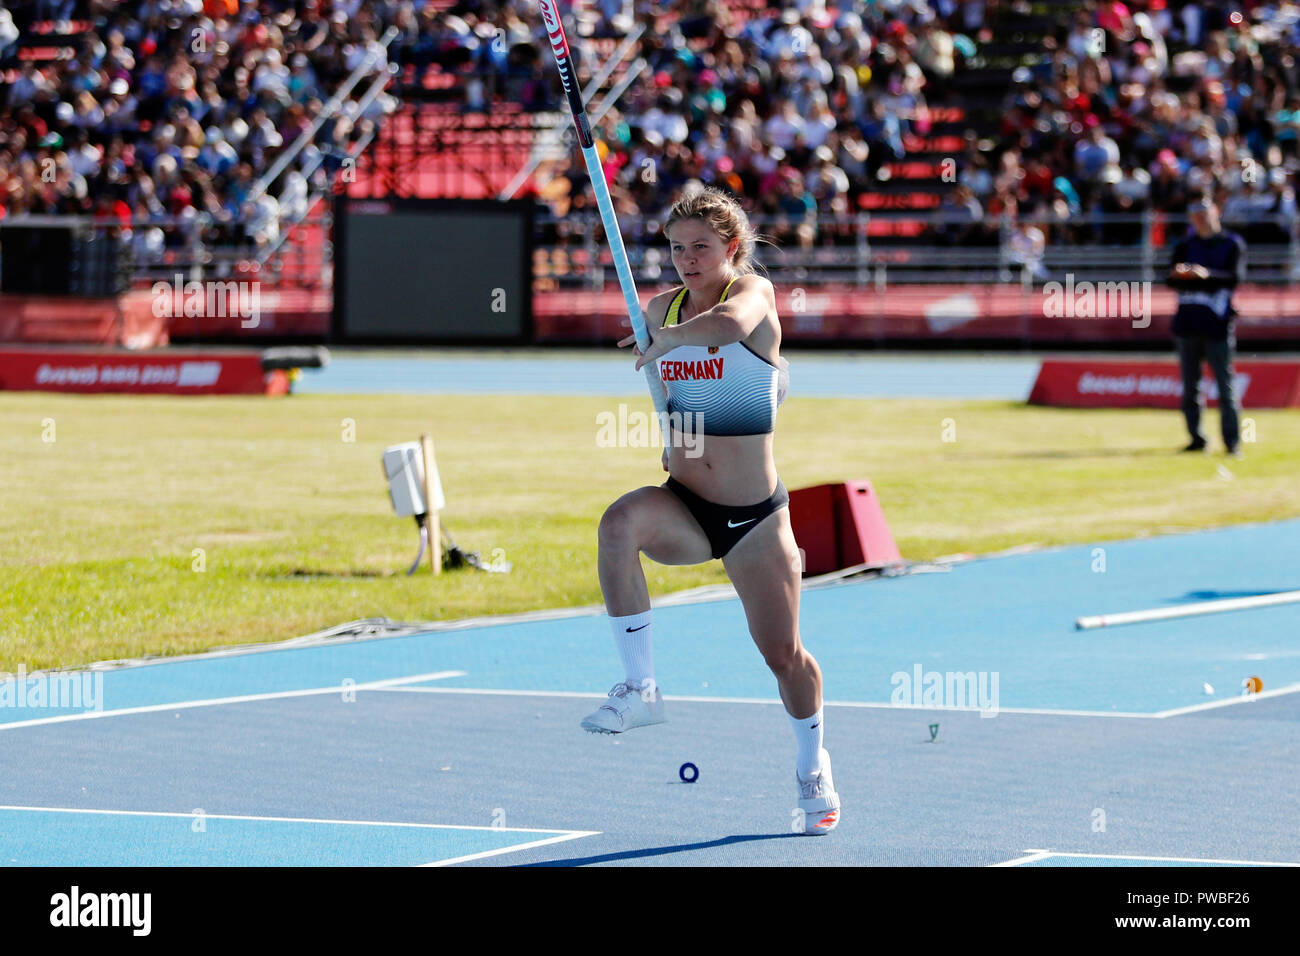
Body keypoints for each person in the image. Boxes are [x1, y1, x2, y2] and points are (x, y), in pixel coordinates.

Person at [580, 186, 840, 835]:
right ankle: (640, 688)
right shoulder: (660, 307)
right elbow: (684, 404)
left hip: (755, 517)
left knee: (784, 655)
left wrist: (666, 339)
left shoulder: (750, 297)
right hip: (687, 506)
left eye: (700, 247)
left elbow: (726, 330)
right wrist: (676, 431)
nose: (686, 260)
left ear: (731, 248)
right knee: (619, 523)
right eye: (676, 249)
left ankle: (812, 762)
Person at [1166, 195, 1246, 457]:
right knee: (1191, 387)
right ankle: (1196, 438)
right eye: (1195, 213)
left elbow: (1234, 278)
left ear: (1216, 212)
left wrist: (1205, 275)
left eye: (1204, 211)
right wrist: (1183, 275)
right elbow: (1170, 278)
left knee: (1226, 387)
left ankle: (1232, 442)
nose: (1200, 218)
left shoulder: (1231, 244)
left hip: (1217, 325)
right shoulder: (1186, 245)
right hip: (1187, 323)